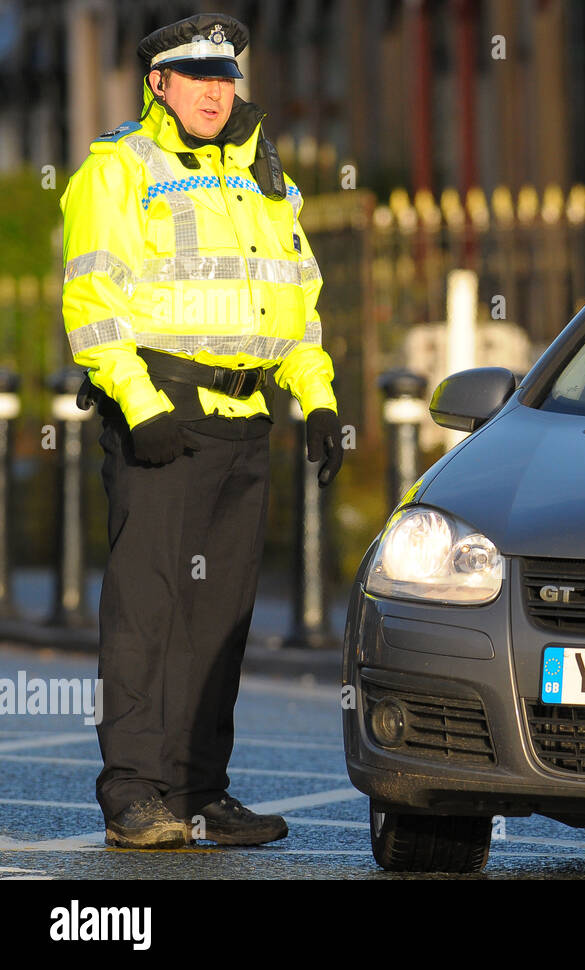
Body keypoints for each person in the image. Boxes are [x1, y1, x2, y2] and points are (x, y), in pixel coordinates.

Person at [60, 13, 344, 849]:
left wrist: (317, 396)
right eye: (198, 75)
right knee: (149, 614)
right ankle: (134, 794)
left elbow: (295, 300)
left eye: (227, 75)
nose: (218, 91)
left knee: (220, 617)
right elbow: (93, 301)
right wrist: (138, 405)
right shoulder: (119, 169)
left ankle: (199, 790)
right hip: (162, 415)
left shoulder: (263, 176)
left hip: (246, 418)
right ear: (160, 83)